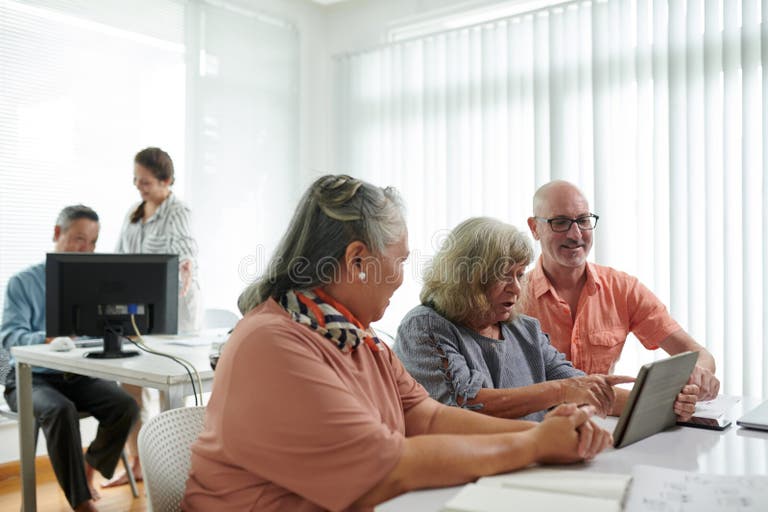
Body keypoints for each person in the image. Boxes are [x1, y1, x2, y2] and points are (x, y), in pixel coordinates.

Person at [182, 175, 612, 511]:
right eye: (401, 260)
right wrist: (534, 444)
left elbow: (427, 417)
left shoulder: (354, 335)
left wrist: (548, 434)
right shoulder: (273, 344)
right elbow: (387, 467)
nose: (403, 277)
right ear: (358, 260)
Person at [395, 217, 639, 420]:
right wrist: (562, 391)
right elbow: (465, 406)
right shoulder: (424, 326)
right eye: (504, 275)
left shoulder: (525, 329)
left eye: (520, 274)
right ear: (467, 277)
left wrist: (653, 405)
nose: (517, 288)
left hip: (534, 456)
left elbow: (580, 387)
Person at [523, 180, 720, 407]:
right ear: (534, 228)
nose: (575, 234)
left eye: (583, 220)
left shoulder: (623, 289)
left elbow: (697, 353)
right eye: (560, 222)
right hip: (537, 424)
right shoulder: (514, 299)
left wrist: (699, 375)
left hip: (607, 421)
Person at [1, 205, 139, 512]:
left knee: (126, 406)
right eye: (79, 239)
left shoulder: (92, 286)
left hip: (75, 375)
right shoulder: (22, 283)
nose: (86, 249)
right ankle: (81, 502)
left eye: (92, 242)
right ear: (57, 234)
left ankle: (87, 470)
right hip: (29, 378)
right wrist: (48, 339)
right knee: (60, 410)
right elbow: (10, 338)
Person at [106, 146, 201, 488]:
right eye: (136, 180)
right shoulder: (133, 214)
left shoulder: (178, 211)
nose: (139, 187)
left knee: (168, 387)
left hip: (173, 310)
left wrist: (185, 269)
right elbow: (119, 257)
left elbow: (186, 253)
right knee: (130, 384)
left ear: (167, 181)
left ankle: (172, 468)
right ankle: (139, 462)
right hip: (136, 310)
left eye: (145, 181)